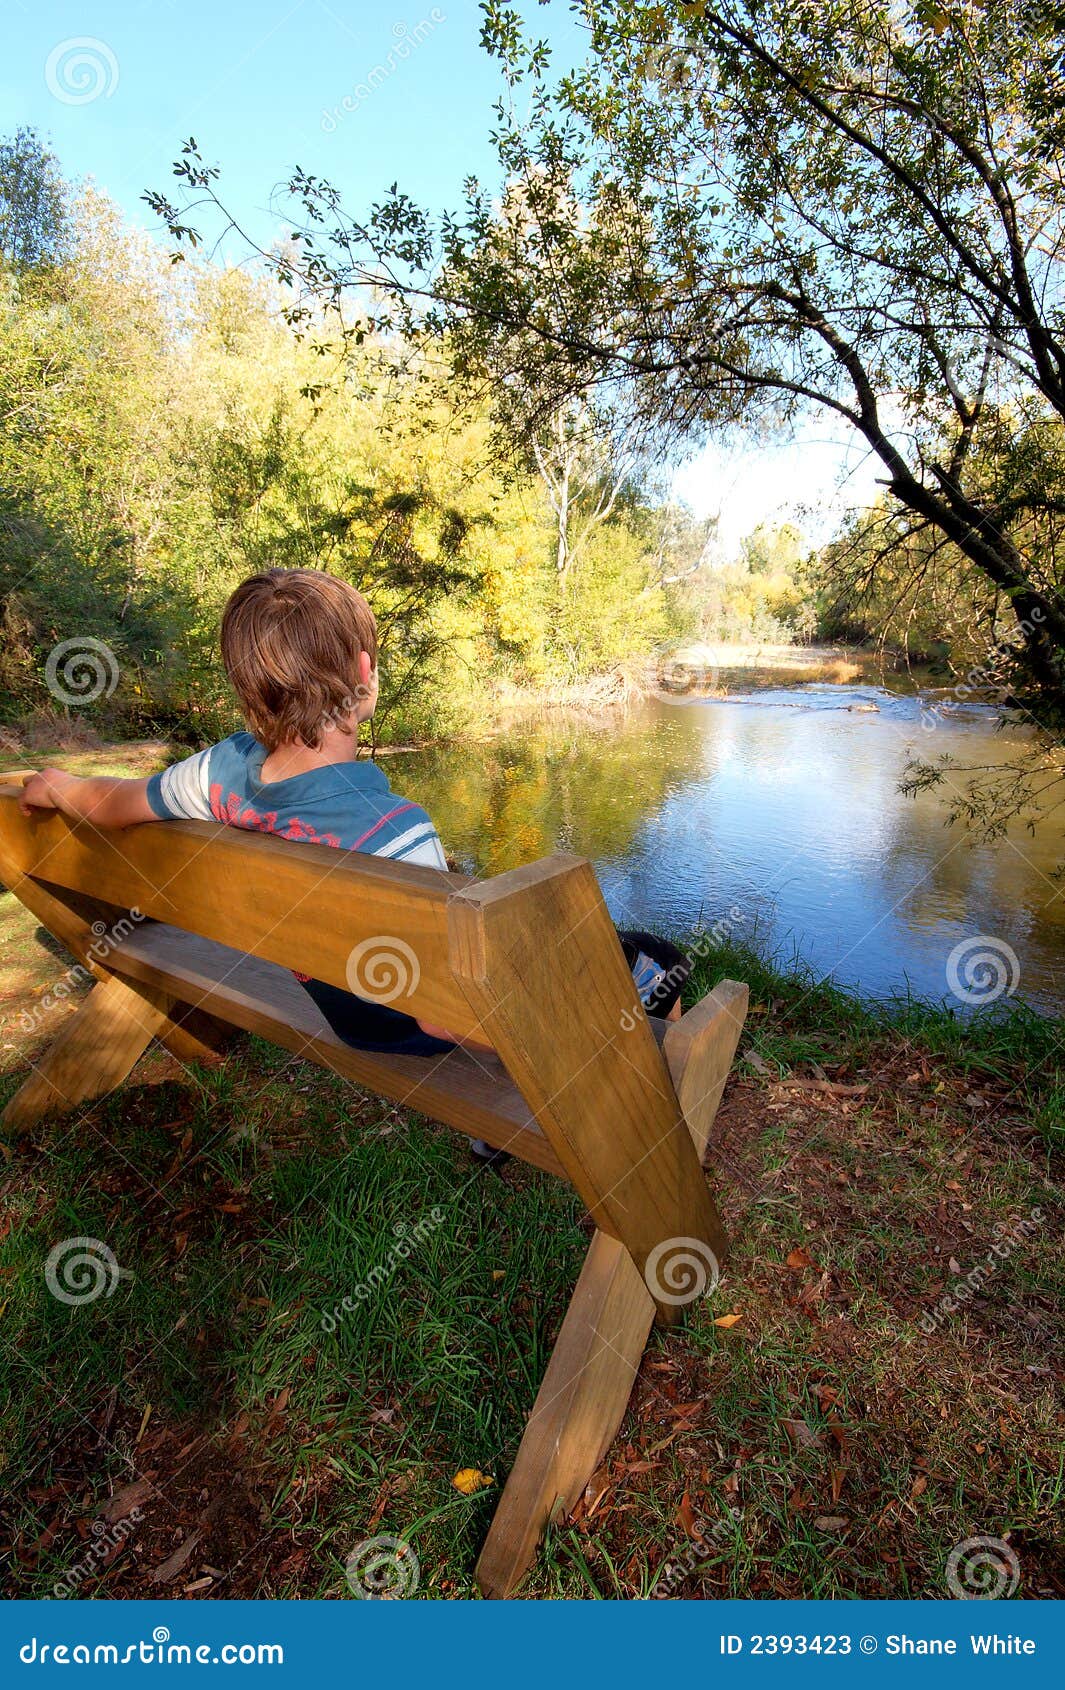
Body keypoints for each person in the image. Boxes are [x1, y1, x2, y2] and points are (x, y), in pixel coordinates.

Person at [18, 570, 689, 1088]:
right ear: (364, 678)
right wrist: (560, 1044)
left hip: (342, 1009)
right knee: (646, 953)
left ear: (249, 688)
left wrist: (62, 788)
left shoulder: (217, 771)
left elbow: (113, 805)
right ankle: (646, 1053)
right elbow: (443, 1017)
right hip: (400, 1028)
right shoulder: (398, 835)